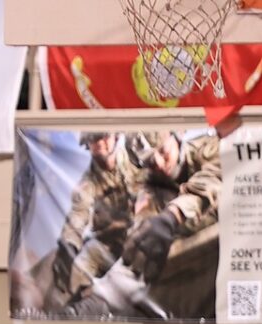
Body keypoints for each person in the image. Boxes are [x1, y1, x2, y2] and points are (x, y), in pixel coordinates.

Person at [52, 132, 144, 309]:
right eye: (93, 138)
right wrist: (68, 244)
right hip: (112, 245)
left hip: (143, 239)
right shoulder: (89, 182)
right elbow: (78, 213)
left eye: (104, 137)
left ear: (116, 137)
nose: (100, 143)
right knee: (79, 267)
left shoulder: (135, 159)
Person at [123, 130, 220, 286]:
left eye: (163, 151)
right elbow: (144, 218)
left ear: (176, 137)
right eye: (151, 163)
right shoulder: (149, 184)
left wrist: (171, 216)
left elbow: (210, 182)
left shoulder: (209, 148)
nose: (160, 164)